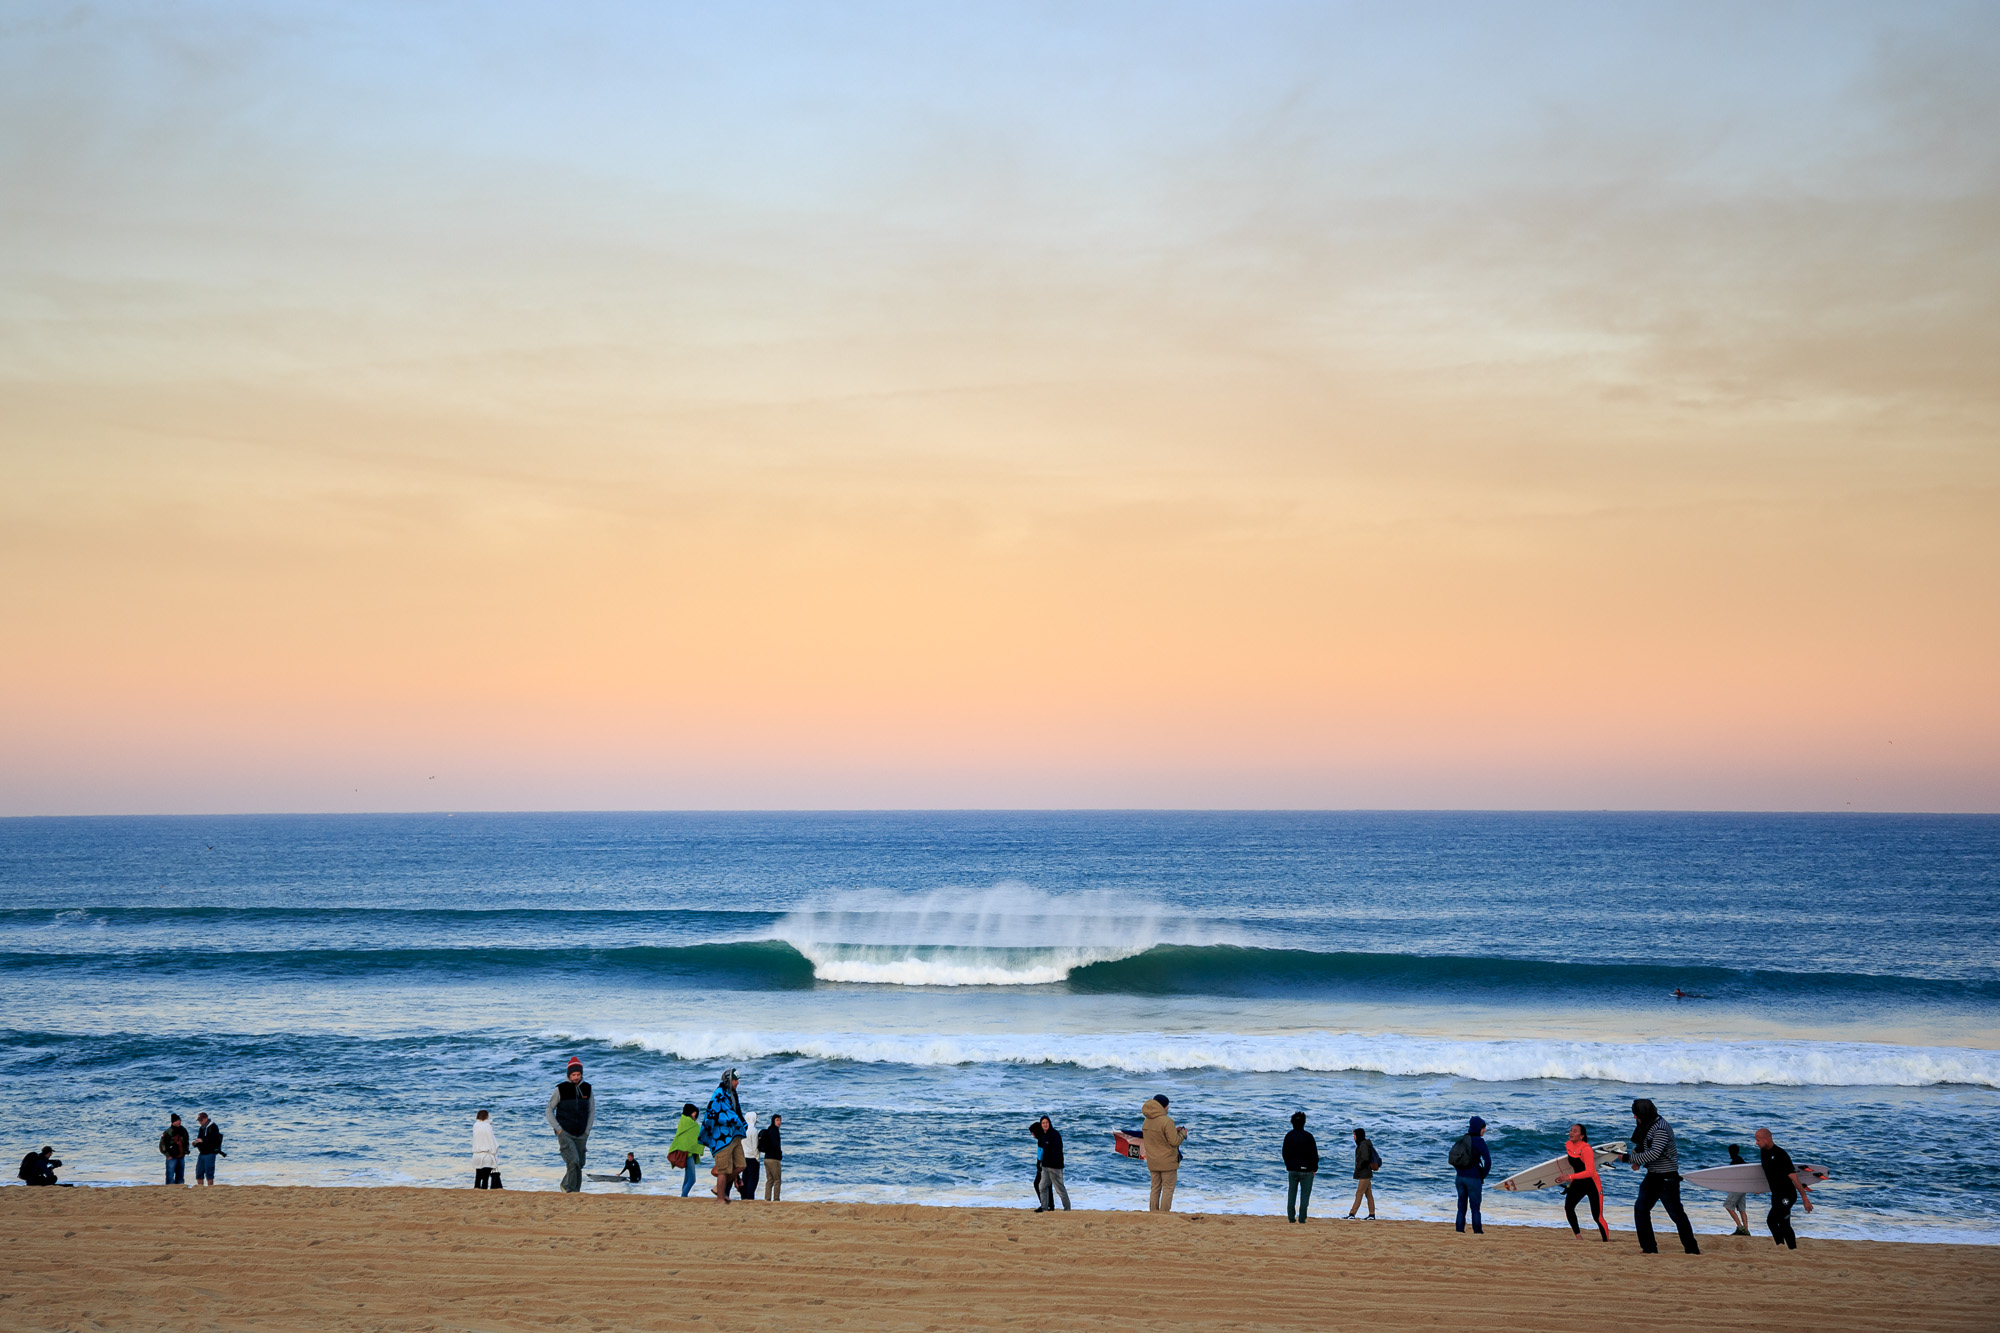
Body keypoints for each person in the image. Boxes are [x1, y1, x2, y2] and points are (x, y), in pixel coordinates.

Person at [1617, 1098, 1700, 1255]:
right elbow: (1642, 1144)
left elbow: (1655, 1153)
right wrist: (1637, 1160)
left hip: (1667, 1178)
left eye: (1636, 1114)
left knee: (1676, 1215)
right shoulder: (1648, 1124)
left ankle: (1692, 1249)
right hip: (1653, 1176)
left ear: (1644, 1114)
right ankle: (1649, 1249)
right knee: (1640, 1209)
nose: (1634, 1117)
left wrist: (1628, 1159)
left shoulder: (1660, 1128)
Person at [1755, 1127, 1813, 1250]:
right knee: (1782, 1222)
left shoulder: (1781, 1155)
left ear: (1767, 1139)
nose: (1756, 1143)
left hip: (1787, 1195)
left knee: (1773, 1220)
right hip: (1776, 1194)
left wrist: (1805, 1199)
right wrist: (1759, 1187)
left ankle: (1784, 1247)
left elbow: (1794, 1178)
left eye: (1758, 1140)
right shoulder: (1763, 1152)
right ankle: (1787, 1248)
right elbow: (1770, 1174)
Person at [699, 1067, 749, 1203]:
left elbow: (736, 1111)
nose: (737, 1083)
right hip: (721, 1138)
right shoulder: (719, 1094)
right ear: (728, 1080)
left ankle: (718, 1188)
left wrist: (742, 1124)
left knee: (741, 1165)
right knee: (722, 1170)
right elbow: (718, 1114)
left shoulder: (732, 1094)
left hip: (734, 1135)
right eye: (734, 1080)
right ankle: (720, 1198)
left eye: (737, 1080)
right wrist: (737, 1122)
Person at [545, 1057, 594, 1193]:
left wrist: (587, 1131)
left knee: (580, 1164)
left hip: (582, 1133)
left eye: (578, 1074)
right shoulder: (561, 1089)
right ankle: (569, 1189)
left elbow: (591, 1111)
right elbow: (549, 1109)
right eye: (573, 1075)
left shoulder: (587, 1088)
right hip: (565, 1132)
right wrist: (558, 1129)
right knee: (572, 1162)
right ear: (569, 1075)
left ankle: (574, 1190)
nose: (576, 1077)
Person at [1555, 1123, 1610, 1241]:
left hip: (1591, 1184)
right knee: (1569, 1208)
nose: (1571, 1133)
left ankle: (1606, 1241)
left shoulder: (1586, 1149)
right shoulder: (1568, 1145)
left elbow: (1590, 1171)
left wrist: (1569, 1177)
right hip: (1578, 1182)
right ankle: (1578, 1237)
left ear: (1582, 1136)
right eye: (1571, 1130)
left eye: (1575, 1131)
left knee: (1597, 1216)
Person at [1141, 1095, 1188, 1212]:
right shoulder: (1167, 1121)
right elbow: (1174, 1142)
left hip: (1152, 1160)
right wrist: (1182, 1134)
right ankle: (1164, 1214)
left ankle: (1153, 1212)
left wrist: (1174, 1131)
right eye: (1168, 1106)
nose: (1168, 1108)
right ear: (1164, 1106)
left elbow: (1157, 1137)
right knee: (1167, 1189)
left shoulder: (1146, 1121)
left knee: (1155, 1188)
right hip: (1167, 1161)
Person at [1449, 1116, 1492, 1234]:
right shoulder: (1479, 1141)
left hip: (1459, 1178)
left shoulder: (1463, 1139)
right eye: (1483, 1128)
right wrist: (1482, 1175)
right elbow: (1488, 1161)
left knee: (1461, 1207)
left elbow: (1454, 1158)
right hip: (1473, 1179)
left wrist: (1460, 1172)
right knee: (1475, 1208)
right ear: (1479, 1128)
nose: (1484, 1130)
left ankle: (1459, 1230)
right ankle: (1477, 1232)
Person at [1031, 1116, 1070, 1212]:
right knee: (1042, 1186)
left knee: (1060, 1189)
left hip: (1055, 1167)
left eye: (1046, 1122)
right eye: (1043, 1123)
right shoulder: (1043, 1135)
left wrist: (1053, 1164)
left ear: (1049, 1123)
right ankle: (1044, 1207)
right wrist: (1042, 1164)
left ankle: (1067, 1209)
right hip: (1045, 1167)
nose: (1045, 1124)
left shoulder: (1055, 1135)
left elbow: (1058, 1152)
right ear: (1041, 1125)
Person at [669, 1102, 703, 1197]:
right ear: (693, 1113)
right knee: (692, 1179)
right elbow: (700, 1136)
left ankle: (683, 1196)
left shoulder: (683, 1122)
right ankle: (683, 1196)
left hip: (684, 1152)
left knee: (687, 1178)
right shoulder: (692, 1125)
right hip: (687, 1153)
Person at [1345, 1128, 1380, 1219]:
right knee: (1369, 1195)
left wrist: (1359, 1167)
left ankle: (1352, 1214)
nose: (1353, 1137)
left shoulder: (1363, 1145)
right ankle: (1372, 1215)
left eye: (1354, 1135)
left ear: (1358, 1135)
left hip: (1365, 1173)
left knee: (1359, 1194)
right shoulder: (1363, 1144)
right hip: (1366, 1173)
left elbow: (1365, 1158)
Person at [1721, 1144, 1751, 1236]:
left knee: (1728, 1206)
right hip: (1743, 1188)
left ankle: (1740, 1227)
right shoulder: (1742, 1161)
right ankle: (1746, 1230)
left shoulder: (1734, 1162)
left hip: (1737, 1188)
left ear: (1730, 1152)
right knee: (1742, 1209)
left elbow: (1732, 1176)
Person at [192, 1113, 224, 1186]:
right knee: (199, 1173)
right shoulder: (201, 1128)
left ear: (206, 1118)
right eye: (199, 1121)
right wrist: (196, 1143)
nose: (200, 1122)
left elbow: (214, 1139)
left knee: (209, 1173)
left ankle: (210, 1188)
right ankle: (200, 1189)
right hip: (202, 1153)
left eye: (201, 1120)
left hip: (210, 1153)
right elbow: (199, 1138)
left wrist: (202, 1140)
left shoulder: (213, 1127)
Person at [757, 1113, 783, 1201]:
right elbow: (775, 1145)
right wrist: (779, 1154)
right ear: (773, 1121)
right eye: (777, 1120)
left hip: (767, 1158)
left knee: (770, 1180)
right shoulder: (774, 1131)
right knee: (777, 1180)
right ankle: (776, 1199)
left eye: (780, 1120)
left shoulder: (769, 1130)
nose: (779, 1122)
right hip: (773, 1159)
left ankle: (767, 1199)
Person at [159, 1114, 190, 1186]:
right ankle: (170, 1189)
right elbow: (162, 1145)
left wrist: (186, 1151)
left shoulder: (183, 1130)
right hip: (171, 1157)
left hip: (181, 1156)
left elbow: (186, 1141)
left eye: (179, 1120)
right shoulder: (168, 1132)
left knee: (180, 1175)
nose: (179, 1122)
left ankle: (180, 1187)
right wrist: (167, 1155)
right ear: (173, 1122)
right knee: (170, 1175)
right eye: (177, 1120)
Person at [473, 1109, 500, 1189]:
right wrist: (494, 1152)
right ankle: (484, 1190)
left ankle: (476, 1191)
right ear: (487, 1116)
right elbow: (491, 1140)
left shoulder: (475, 1125)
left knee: (478, 1177)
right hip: (487, 1155)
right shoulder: (488, 1126)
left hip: (476, 1155)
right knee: (485, 1178)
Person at [737, 1114, 762, 1200]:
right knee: (753, 1179)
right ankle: (750, 1196)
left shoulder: (743, 1128)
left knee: (745, 1178)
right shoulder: (753, 1130)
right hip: (752, 1158)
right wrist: (757, 1158)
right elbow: (755, 1147)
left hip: (744, 1157)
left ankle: (744, 1196)